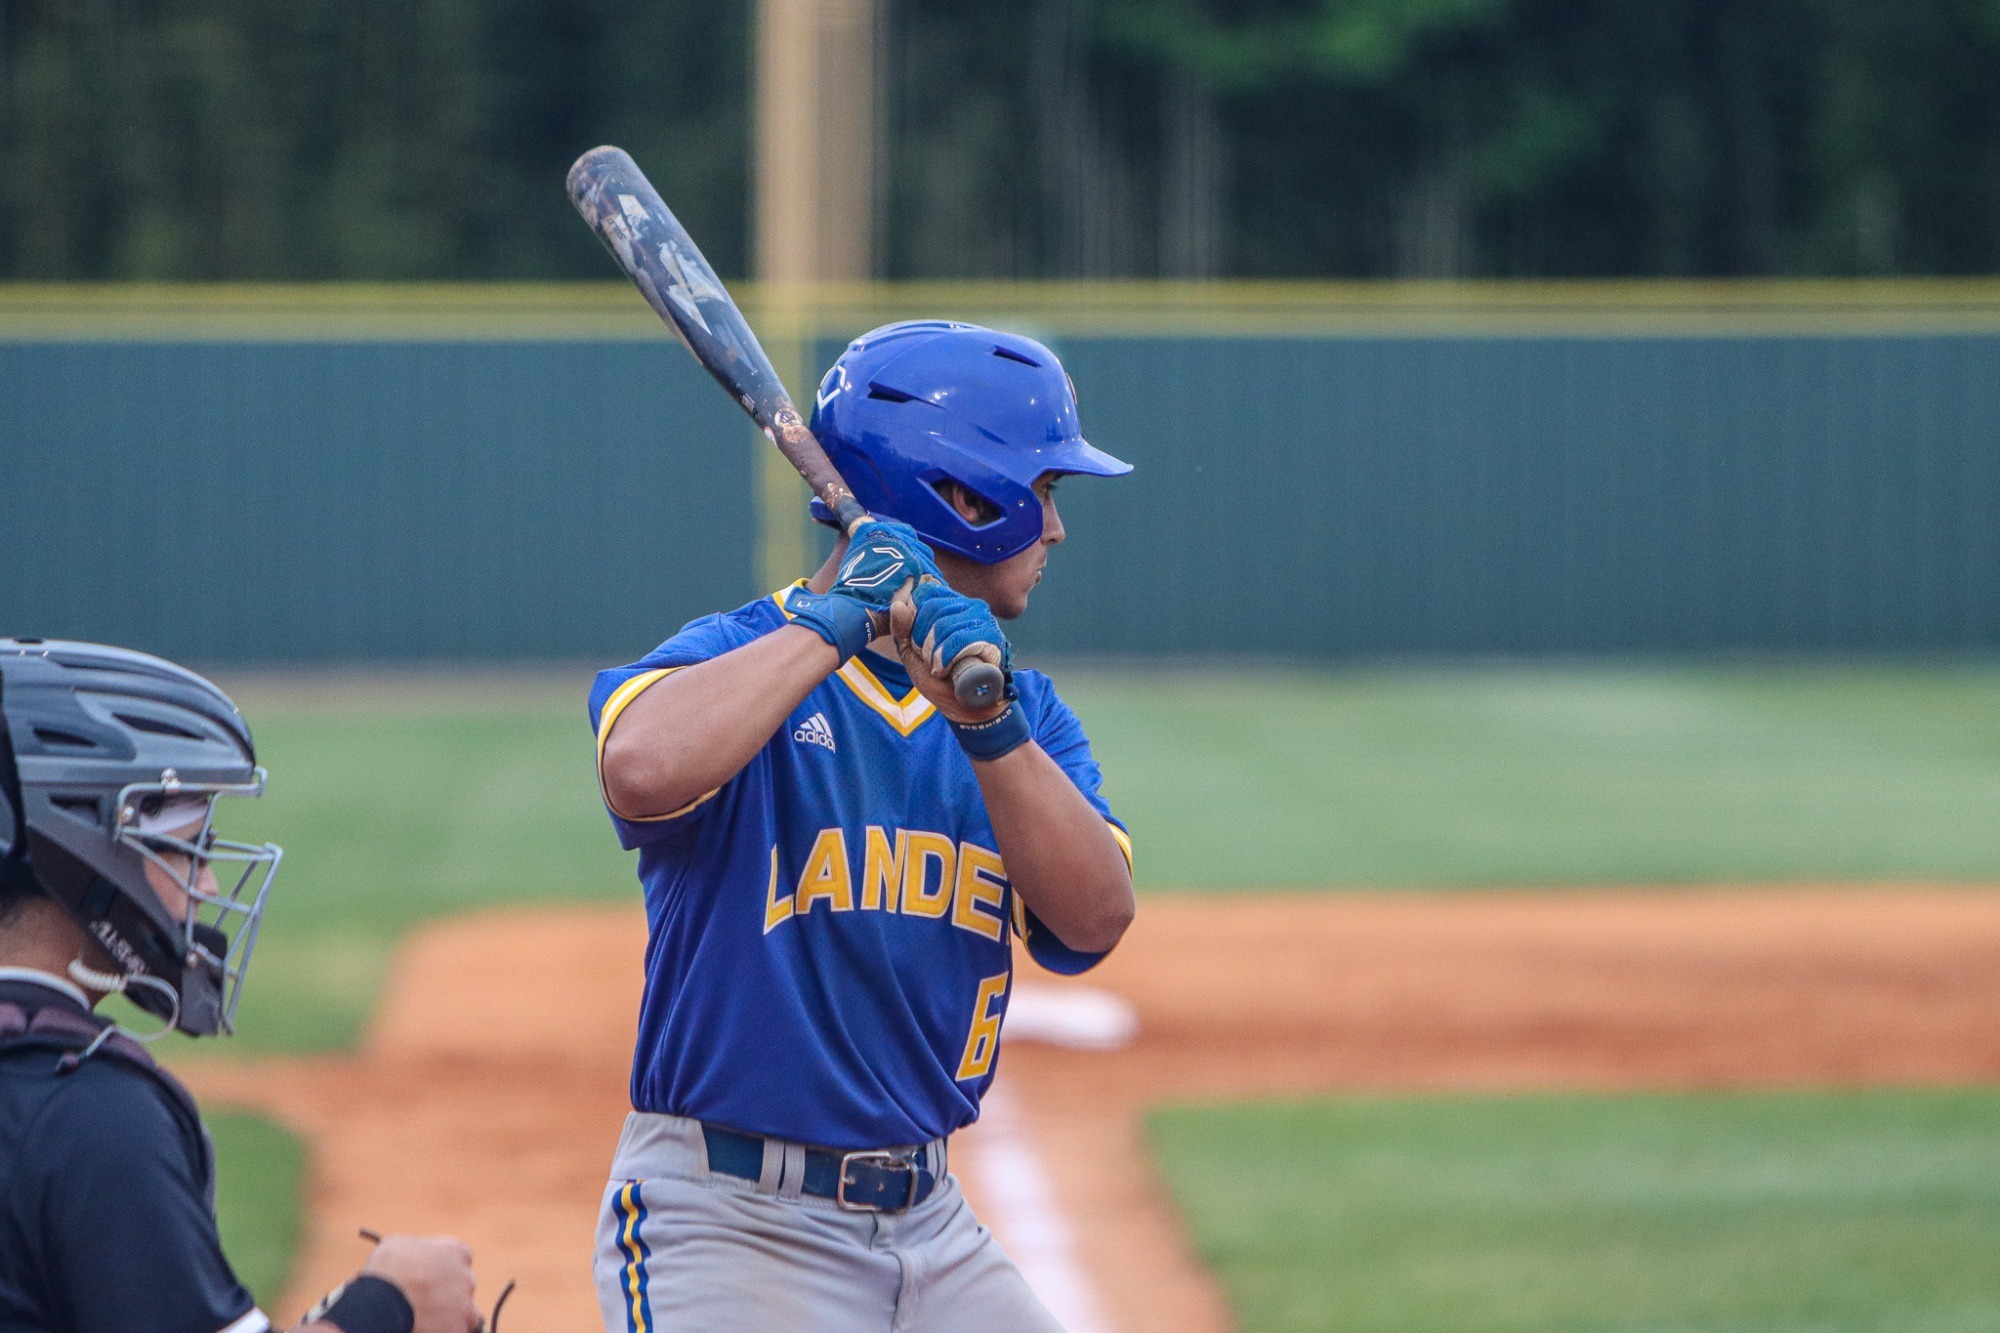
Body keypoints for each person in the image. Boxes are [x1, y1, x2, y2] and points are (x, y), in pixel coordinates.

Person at [586, 320, 1136, 1331]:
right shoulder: (735, 657)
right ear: (964, 497)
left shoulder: (1024, 712)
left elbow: (1093, 919)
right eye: (1043, 492)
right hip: (729, 1222)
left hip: (931, 1226)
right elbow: (640, 769)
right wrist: (837, 624)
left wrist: (988, 725)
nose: (1054, 530)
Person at [0, 639, 484, 1333]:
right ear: (78, 847)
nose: (209, 882)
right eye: (183, 845)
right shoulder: (90, 1120)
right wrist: (391, 1302)